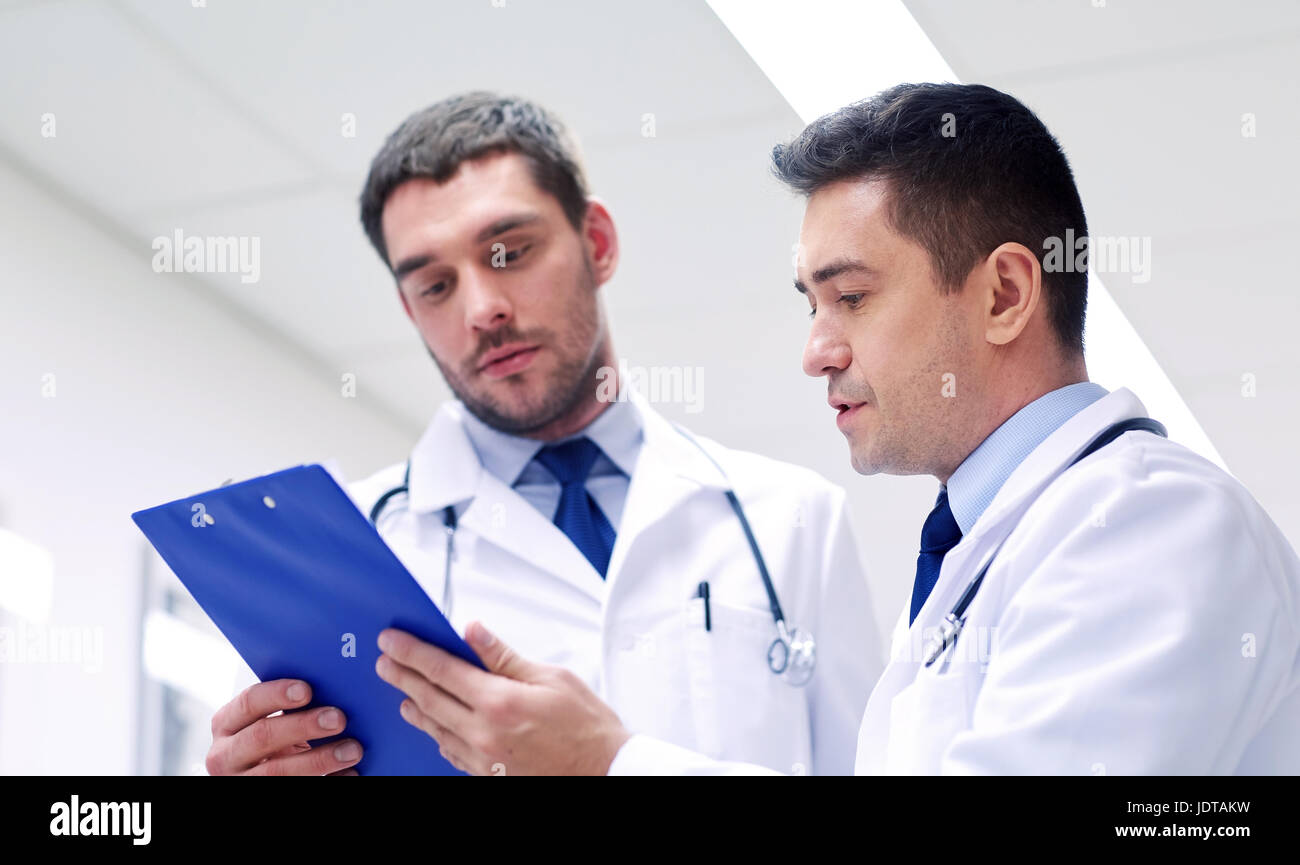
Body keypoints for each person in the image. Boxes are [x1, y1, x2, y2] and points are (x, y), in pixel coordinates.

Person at [376, 83, 1300, 775]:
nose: (816, 351)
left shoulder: (1148, 524)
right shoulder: (981, 555)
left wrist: (614, 762)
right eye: (811, 303)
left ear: (1007, 293)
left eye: (851, 297)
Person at [203, 92, 882, 777]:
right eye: (436, 286)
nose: (481, 309)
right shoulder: (343, 558)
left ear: (597, 243)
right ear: (409, 310)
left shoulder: (792, 521)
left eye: (508, 254)